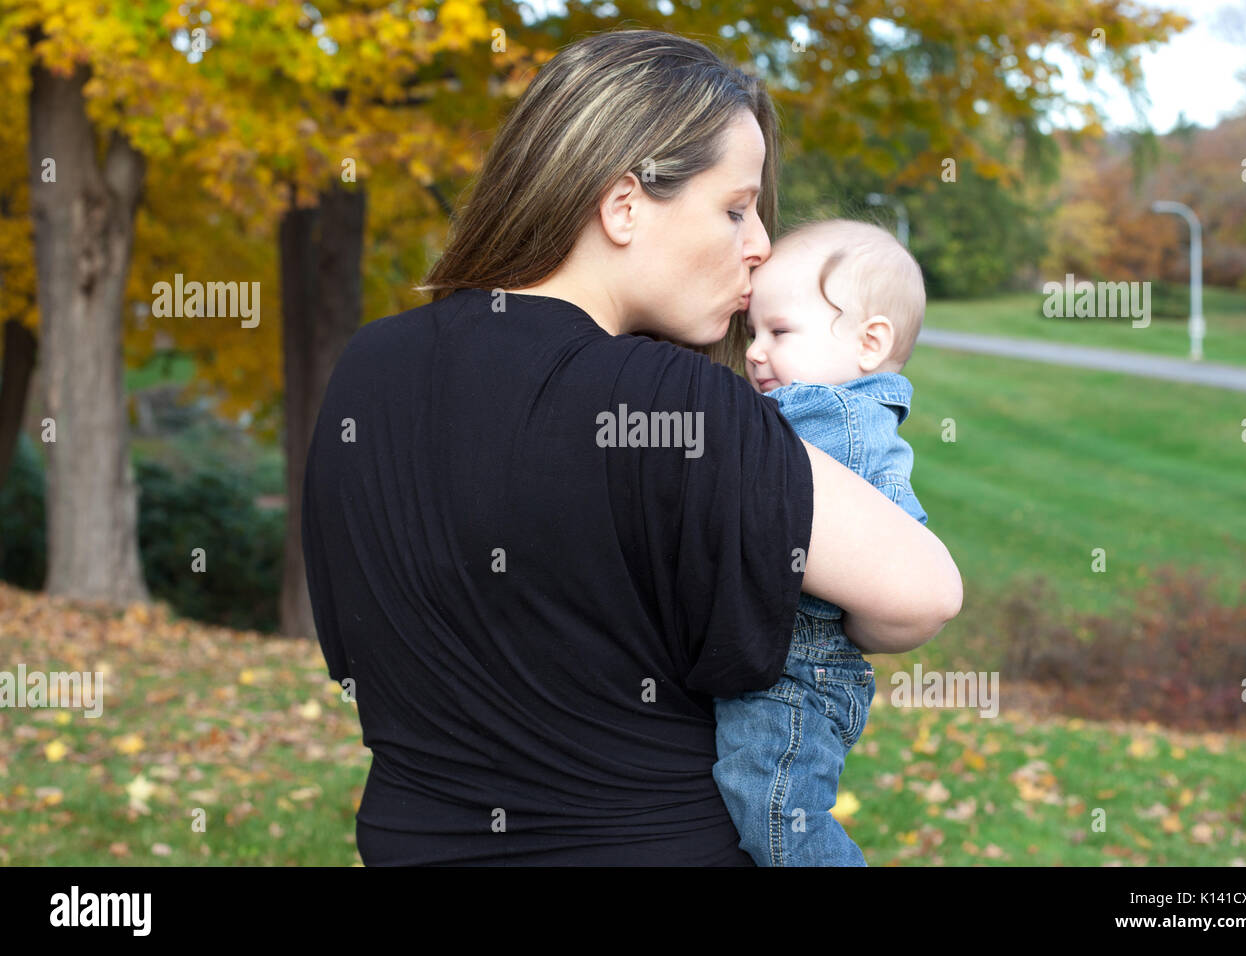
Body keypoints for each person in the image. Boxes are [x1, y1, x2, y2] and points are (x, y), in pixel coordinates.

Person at [301, 28, 962, 866]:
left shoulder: (369, 366)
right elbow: (923, 593)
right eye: (734, 208)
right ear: (622, 205)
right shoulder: (670, 402)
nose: (759, 243)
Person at [713, 218, 931, 866]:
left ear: (870, 342)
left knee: (780, 818)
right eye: (755, 332)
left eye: (780, 332)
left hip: (796, 671)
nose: (755, 351)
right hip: (799, 662)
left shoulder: (825, 415)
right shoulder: (854, 414)